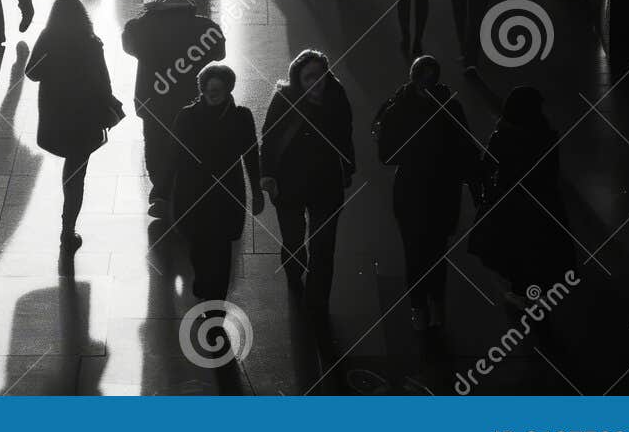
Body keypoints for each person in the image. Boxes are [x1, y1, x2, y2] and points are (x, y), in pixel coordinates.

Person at [372, 55, 478, 329]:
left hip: (413, 190)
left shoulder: (398, 109)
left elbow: (386, 154)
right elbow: (468, 150)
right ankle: (430, 304)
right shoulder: (449, 106)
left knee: (420, 253)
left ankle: (421, 306)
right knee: (430, 253)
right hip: (439, 190)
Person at [26, 0, 118, 266]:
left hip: (56, 116)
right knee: (77, 174)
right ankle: (68, 229)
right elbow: (103, 81)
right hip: (84, 118)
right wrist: (109, 107)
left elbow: (32, 73)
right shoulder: (91, 43)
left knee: (70, 163)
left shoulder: (48, 39)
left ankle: (67, 227)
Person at [261, 49, 355, 311]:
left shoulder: (336, 97)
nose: (315, 82)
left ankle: (317, 300)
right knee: (293, 241)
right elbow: (269, 138)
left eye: (319, 76)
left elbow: (345, 136)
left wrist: (348, 168)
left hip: (325, 185)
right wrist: (267, 174)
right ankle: (295, 272)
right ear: (298, 78)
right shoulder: (284, 99)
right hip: (289, 184)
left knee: (323, 247)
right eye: (309, 77)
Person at [122, 0, 225, 220]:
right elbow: (220, 53)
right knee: (189, 146)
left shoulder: (144, 27)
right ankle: (186, 193)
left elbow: (127, 42)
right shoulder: (203, 27)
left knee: (155, 148)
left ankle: (161, 195)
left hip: (153, 100)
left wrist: (148, 16)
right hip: (189, 100)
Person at [467, 86, 574, 306]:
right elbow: (552, 171)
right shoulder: (547, 136)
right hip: (543, 199)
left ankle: (521, 294)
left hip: (511, 200)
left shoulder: (502, 136)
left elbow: (487, 166)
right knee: (540, 249)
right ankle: (540, 292)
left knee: (514, 250)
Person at [172, 63, 263, 304]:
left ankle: (215, 301)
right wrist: (168, 194)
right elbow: (174, 158)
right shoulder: (186, 117)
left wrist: (257, 190)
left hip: (225, 195)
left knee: (221, 251)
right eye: (210, 89)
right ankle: (203, 283)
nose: (213, 93)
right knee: (198, 247)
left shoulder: (242, 117)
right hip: (194, 194)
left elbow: (251, 154)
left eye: (218, 89)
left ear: (227, 89)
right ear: (202, 89)